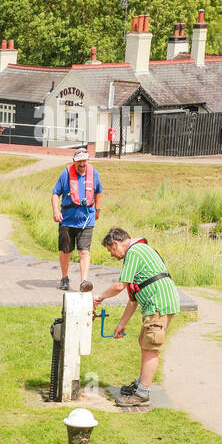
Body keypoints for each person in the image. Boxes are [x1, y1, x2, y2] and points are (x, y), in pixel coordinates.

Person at [93, 227, 181, 409]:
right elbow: (133, 299)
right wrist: (122, 324)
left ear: (116, 243)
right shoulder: (138, 251)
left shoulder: (133, 252)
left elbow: (118, 286)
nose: (112, 255)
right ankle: (142, 382)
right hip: (157, 302)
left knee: (150, 347)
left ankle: (142, 394)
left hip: (159, 304)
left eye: (111, 250)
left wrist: (99, 297)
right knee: (144, 341)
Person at [51, 147, 103, 292]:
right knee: (66, 251)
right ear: (74, 161)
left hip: (87, 219)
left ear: (88, 160)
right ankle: (64, 277)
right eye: (79, 161)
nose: (82, 164)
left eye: (84, 161)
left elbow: (98, 192)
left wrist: (98, 210)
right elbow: (55, 194)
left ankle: (84, 282)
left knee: (84, 251)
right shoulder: (65, 174)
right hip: (67, 219)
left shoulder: (94, 173)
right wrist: (56, 211)